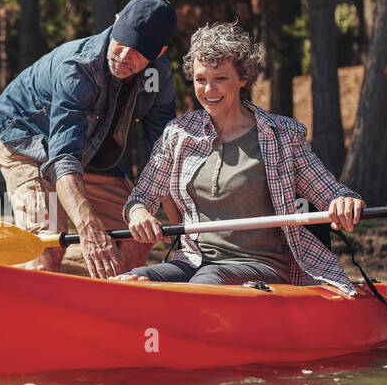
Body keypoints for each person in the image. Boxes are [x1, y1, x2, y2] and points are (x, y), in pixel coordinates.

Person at [116, 21, 365, 294]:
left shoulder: (282, 135)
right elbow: (140, 197)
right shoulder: (177, 134)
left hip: (263, 266)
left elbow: (329, 192)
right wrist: (139, 212)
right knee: (133, 280)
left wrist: (343, 201)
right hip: (194, 261)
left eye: (220, 78)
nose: (209, 90)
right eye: (201, 79)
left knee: (208, 281)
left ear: (243, 78)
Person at [0, 0, 180, 279]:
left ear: (160, 52)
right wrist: (89, 228)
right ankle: (17, 298)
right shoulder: (78, 68)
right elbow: (63, 158)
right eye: (122, 42)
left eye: (138, 51)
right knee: (48, 243)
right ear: (115, 23)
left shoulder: (160, 77)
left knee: (136, 237)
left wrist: (182, 226)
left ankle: (107, 313)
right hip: (26, 139)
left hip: (89, 150)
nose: (124, 56)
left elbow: (163, 154)